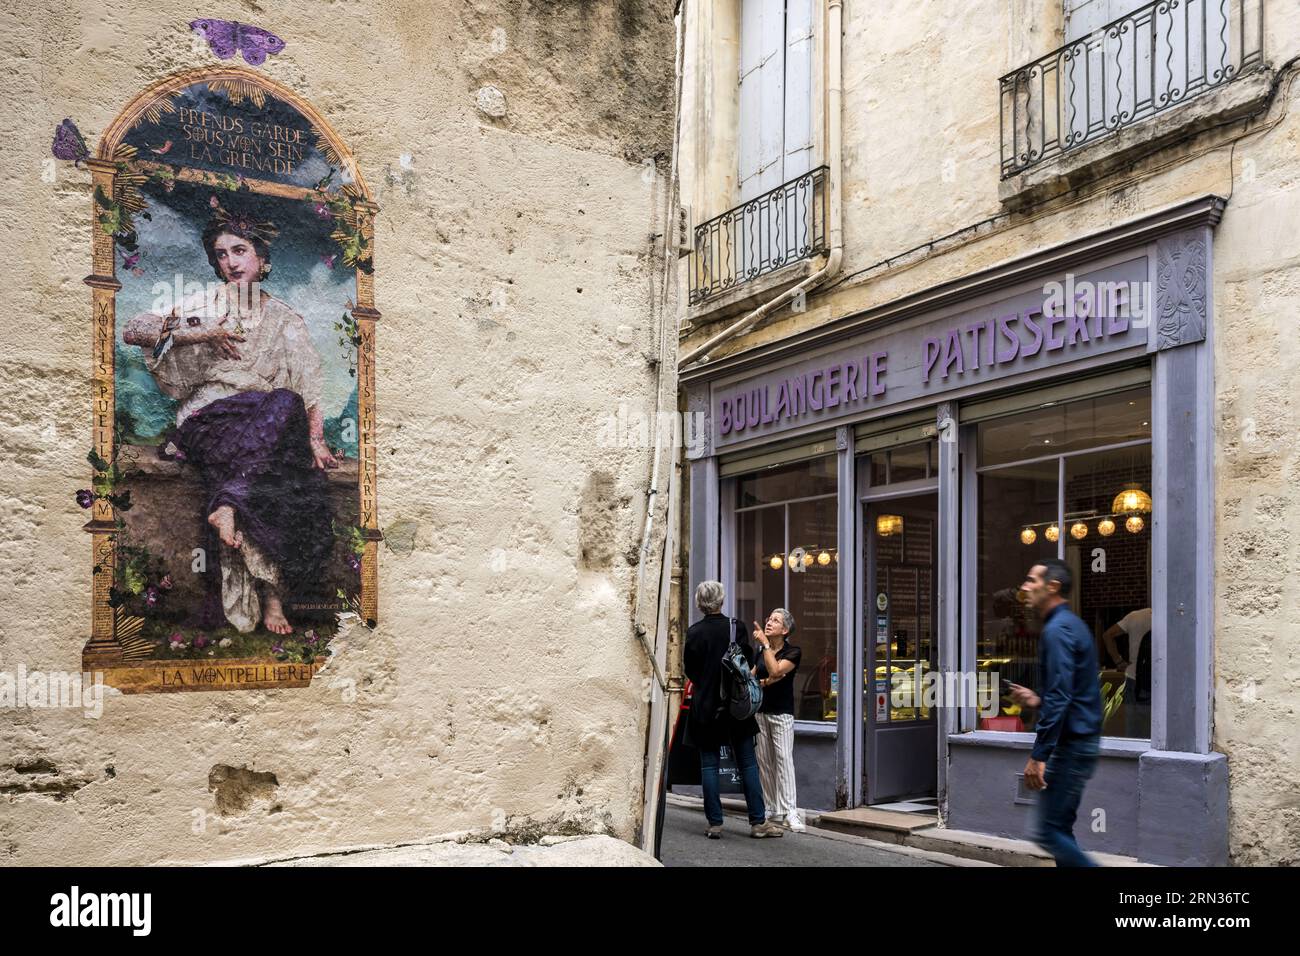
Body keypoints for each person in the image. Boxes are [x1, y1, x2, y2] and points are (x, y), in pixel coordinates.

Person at [123, 203, 336, 636]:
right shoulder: (203, 305)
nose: (230, 262)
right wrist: (202, 333)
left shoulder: (286, 321)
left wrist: (315, 439)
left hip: (264, 424)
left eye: (240, 251)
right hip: (209, 420)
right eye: (221, 254)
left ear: (262, 258)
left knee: (283, 414)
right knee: (275, 450)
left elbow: (309, 388)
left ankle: (228, 506)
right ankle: (272, 597)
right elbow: (134, 329)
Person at [1007, 559, 1104, 867]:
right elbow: (1067, 693)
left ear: (1052, 587)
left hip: (1072, 745)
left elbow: (1062, 696)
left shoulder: (1057, 630)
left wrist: (1039, 755)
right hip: (1080, 742)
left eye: (1031, 580)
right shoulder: (1071, 625)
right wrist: (1037, 700)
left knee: (1049, 832)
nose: (1024, 587)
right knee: (1059, 829)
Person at [683, 581, 784, 839]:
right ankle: (758, 823)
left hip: (706, 707)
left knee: (709, 766)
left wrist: (707, 682)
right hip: (736, 706)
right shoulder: (735, 627)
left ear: (699, 603)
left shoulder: (694, 632)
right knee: (748, 764)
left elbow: (690, 670)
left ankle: (715, 823)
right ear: (722, 600)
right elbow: (747, 663)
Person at [751, 608, 803, 831]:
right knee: (764, 762)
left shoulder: (793, 652)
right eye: (769, 619)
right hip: (760, 711)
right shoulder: (759, 652)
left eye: (775, 620)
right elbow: (754, 677)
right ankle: (773, 809)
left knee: (783, 760)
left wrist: (765, 645)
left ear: (785, 629)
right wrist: (764, 681)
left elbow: (775, 670)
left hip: (782, 713)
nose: (769, 623)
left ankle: (790, 811)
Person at [1101, 607, 1152, 738]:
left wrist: (1118, 661)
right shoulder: (1169, 618)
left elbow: (1108, 635)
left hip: (1133, 677)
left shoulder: (1135, 616)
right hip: (1156, 680)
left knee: (1133, 729)